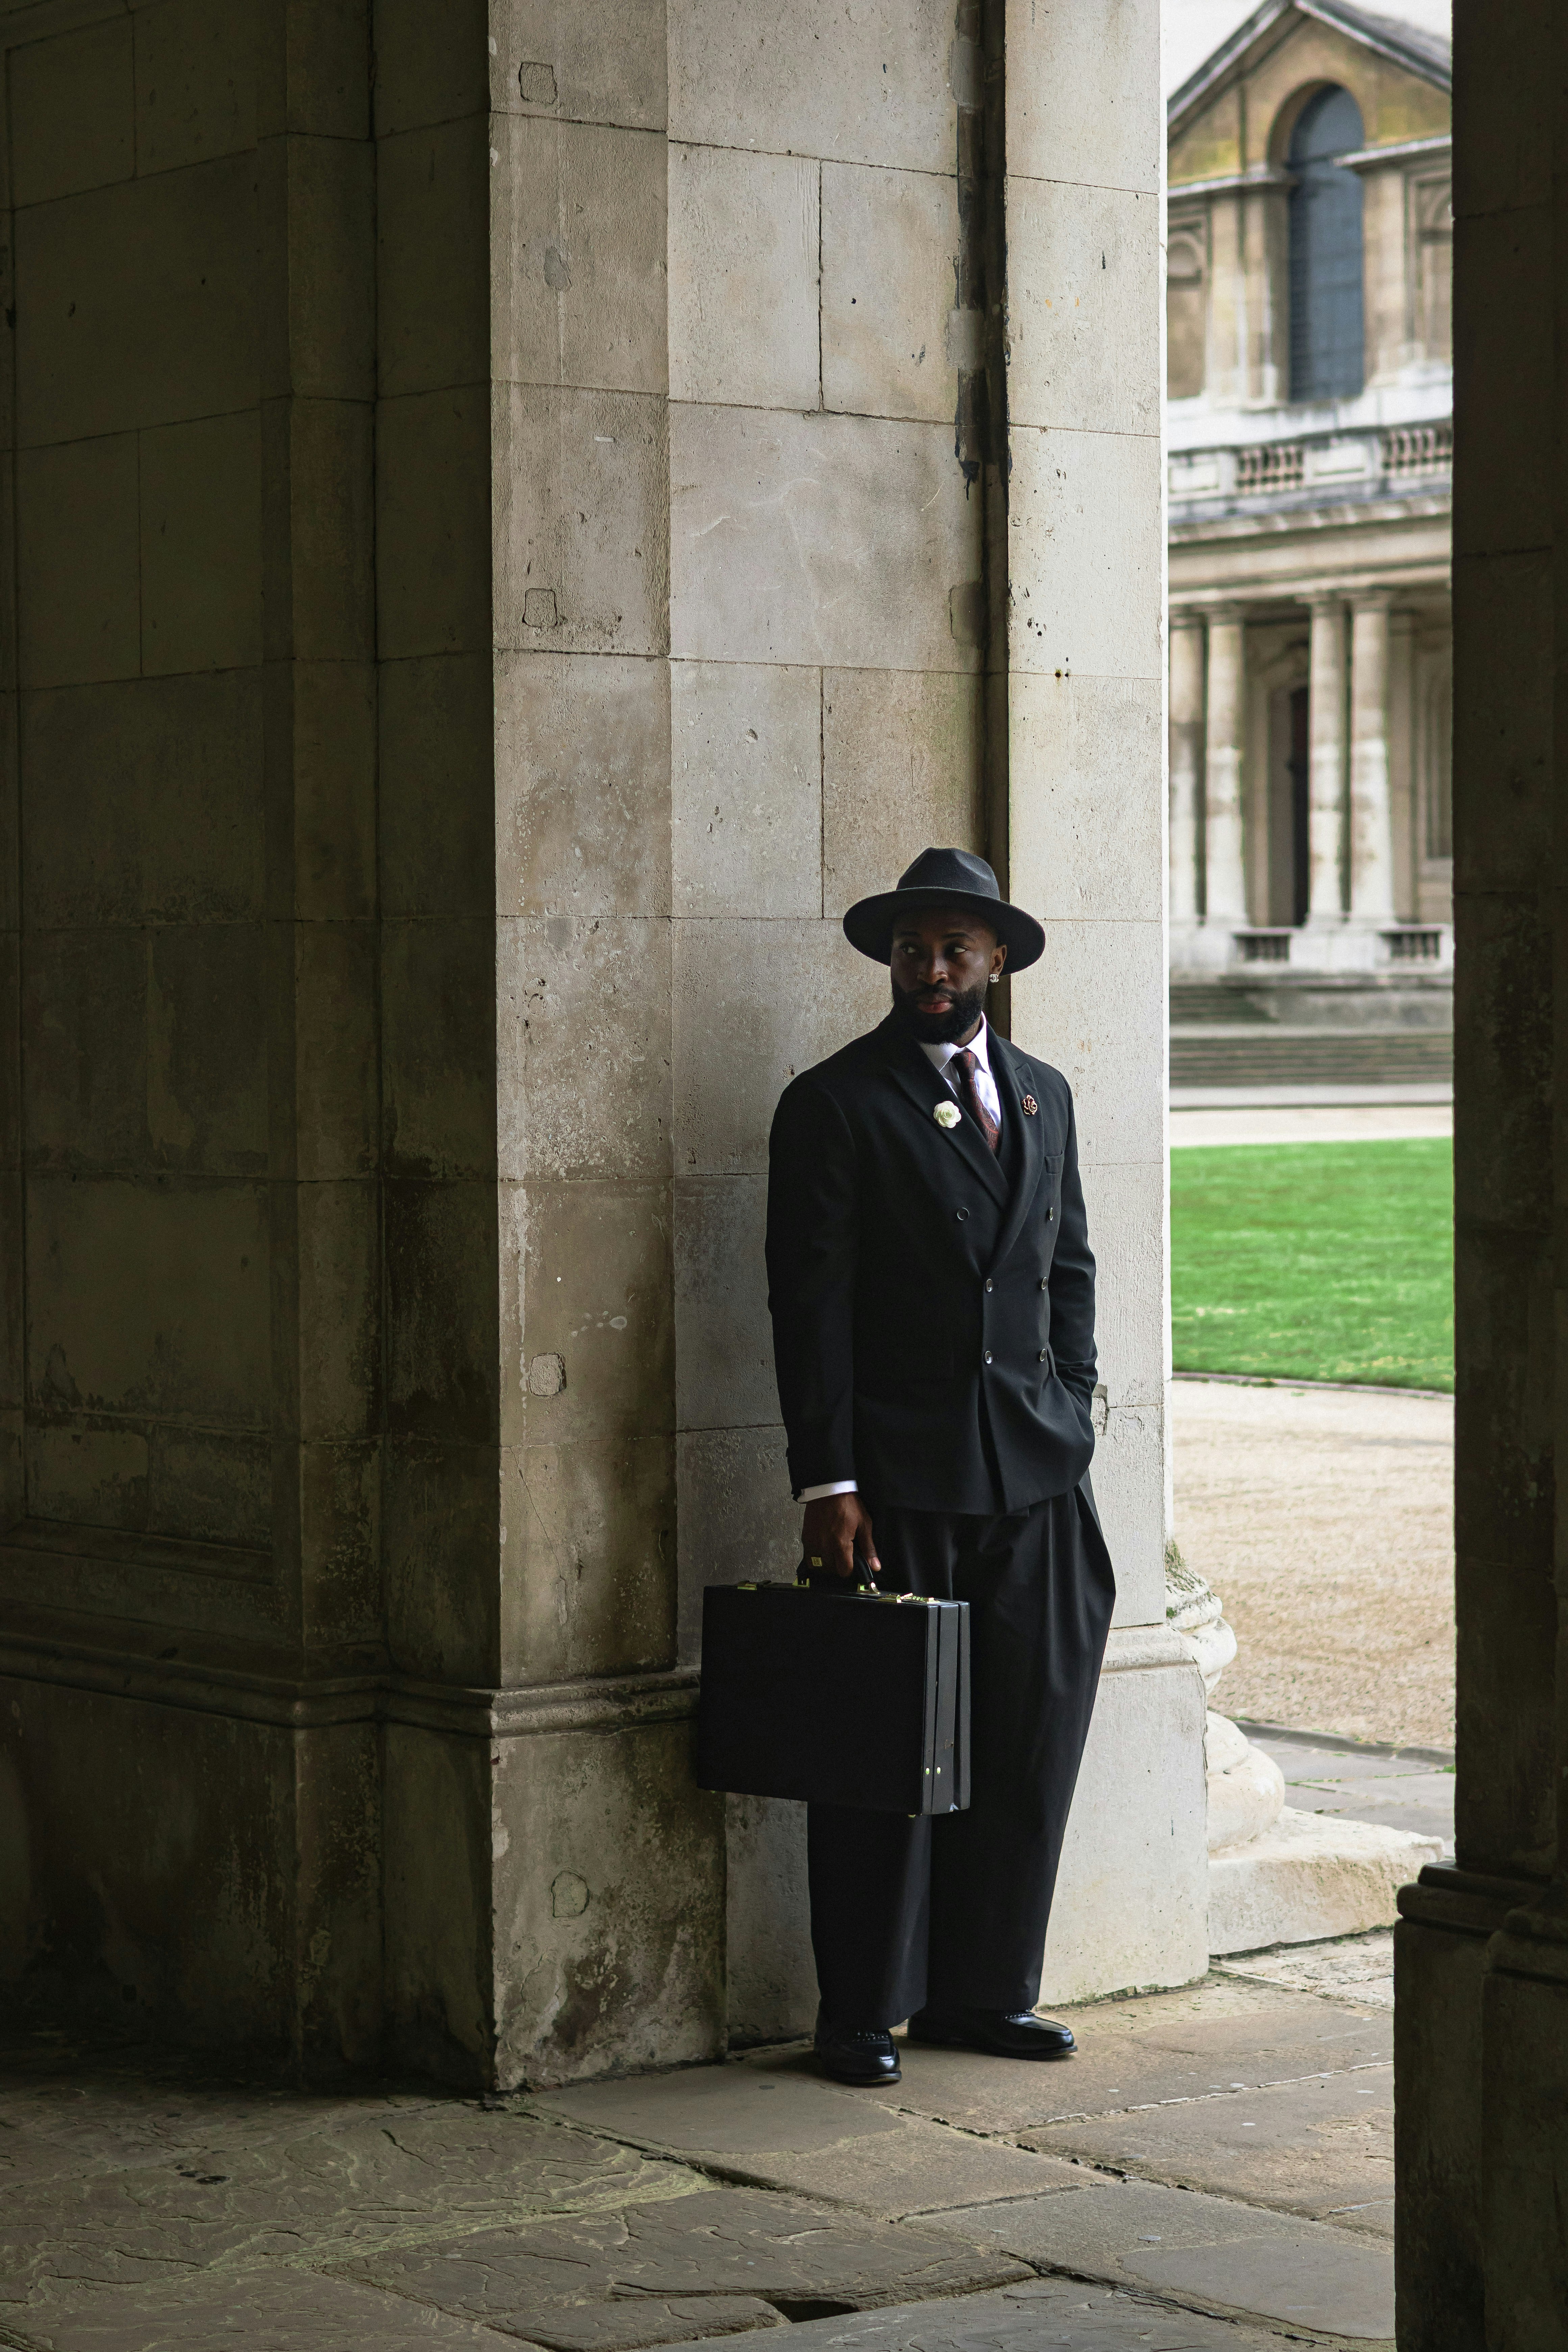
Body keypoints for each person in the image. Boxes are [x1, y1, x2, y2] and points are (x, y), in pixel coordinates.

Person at [764, 846, 1116, 2087]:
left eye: (956, 947)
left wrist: (1071, 1404)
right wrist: (830, 1483)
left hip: (1035, 1479)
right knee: (879, 1753)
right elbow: (809, 1309)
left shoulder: (1045, 1095)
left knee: (1029, 1743)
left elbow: (1067, 1264)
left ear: (998, 962)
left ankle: (983, 1996)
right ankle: (858, 2013)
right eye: (914, 947)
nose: (932, 967)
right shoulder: (834, 1103)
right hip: (894, 1490)